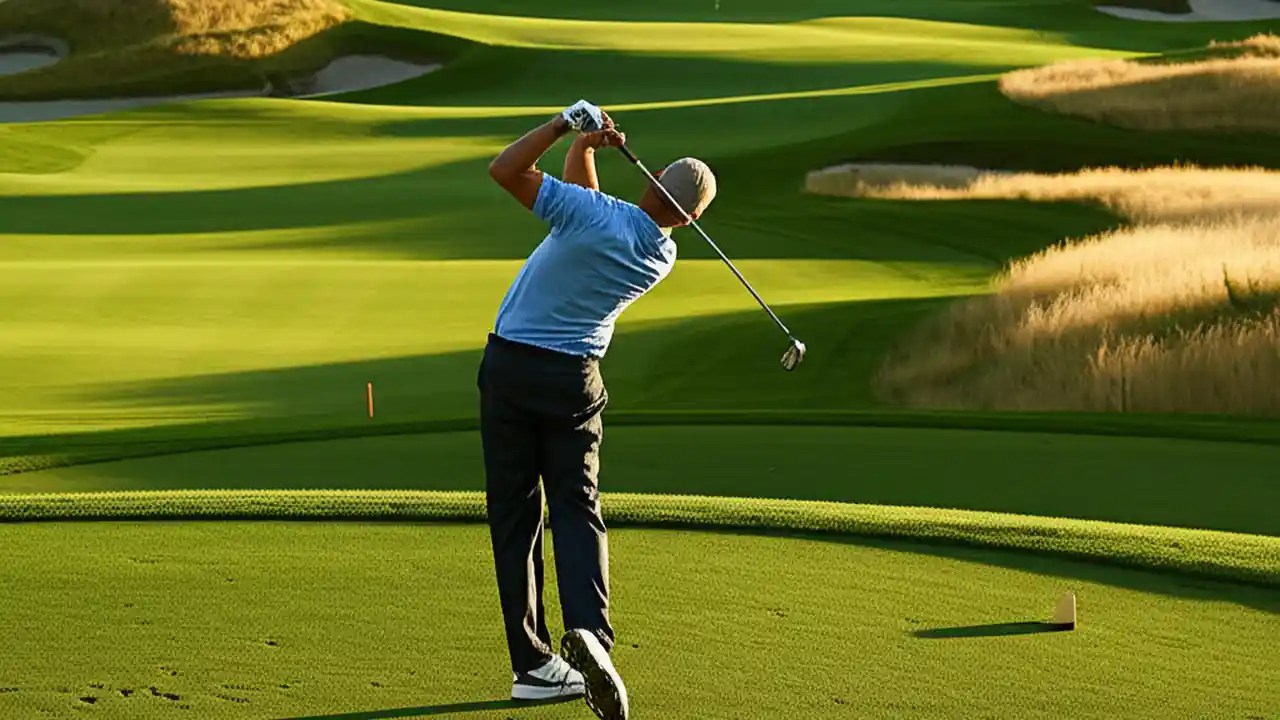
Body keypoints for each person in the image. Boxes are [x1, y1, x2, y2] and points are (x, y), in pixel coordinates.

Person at [479, 101, 716, 720]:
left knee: (515, 513)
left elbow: (504, 170)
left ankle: (531, 665)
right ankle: (591, 633)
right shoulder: (660, 256)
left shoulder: (594, 216)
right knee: (577, 508)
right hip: (574, 381)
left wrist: (562, 125)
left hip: (510, 369)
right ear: (689, 221)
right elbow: (593, 209)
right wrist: (587, 149)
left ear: (650, 180)